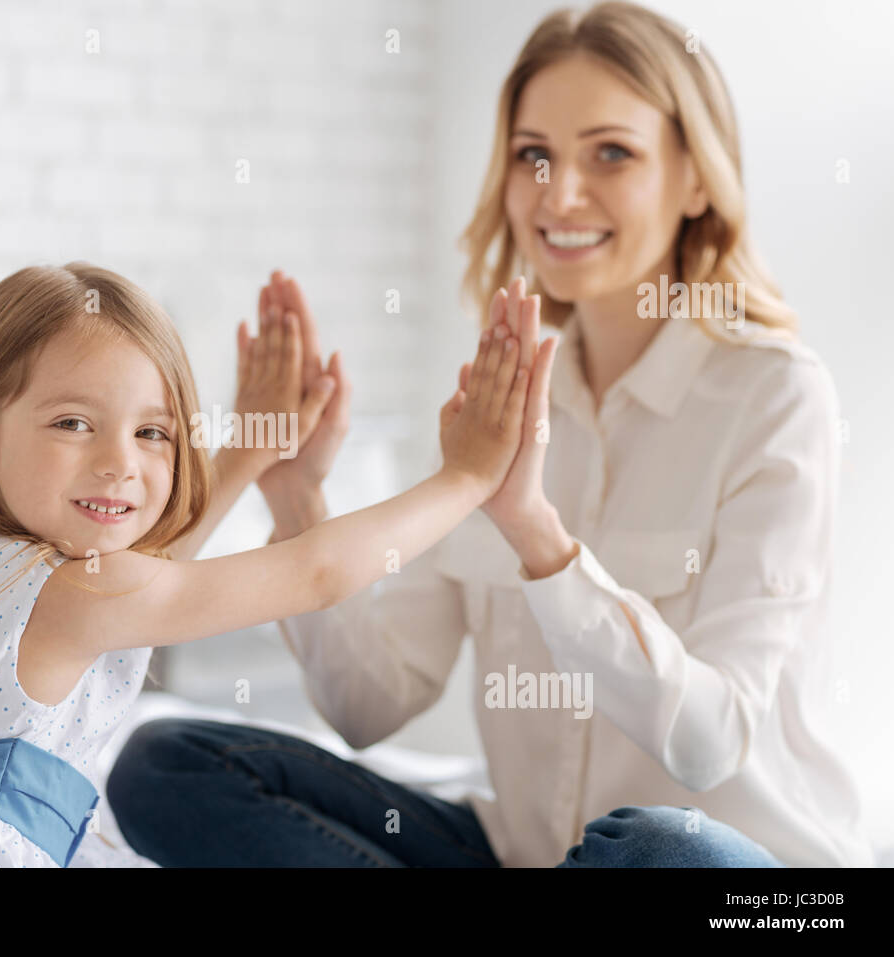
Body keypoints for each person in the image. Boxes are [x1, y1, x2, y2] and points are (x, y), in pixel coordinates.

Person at [105, 1, 873, 867]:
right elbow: (373, 703)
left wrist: (537, 538)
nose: (559, 194)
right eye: (532, 156)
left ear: (697, 179)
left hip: (748, 883)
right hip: (527, 853)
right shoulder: (496, 408)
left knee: (664, 847)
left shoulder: (776, 394)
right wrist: (296, 496)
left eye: (610, 153)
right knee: (166, 763)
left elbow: (710, 742)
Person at [0, 258, 548, 867]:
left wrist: (245, 453)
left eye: (153, 433)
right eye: (74, 422)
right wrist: (465, 479)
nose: (120, 463)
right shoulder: (76, 593)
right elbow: (314, 572)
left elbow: (138, 579)